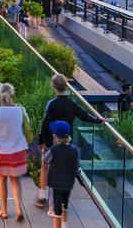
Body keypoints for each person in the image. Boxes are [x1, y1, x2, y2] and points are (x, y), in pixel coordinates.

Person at [35, 74, 104, 208]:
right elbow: (84, 115)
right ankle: (61, 195)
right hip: (66, 141)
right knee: (62, 167)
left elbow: (45, 123)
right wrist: (99, 120)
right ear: (66, 86)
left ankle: (43, 195)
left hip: (52, 141)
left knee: (45, 166)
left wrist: (41, 140)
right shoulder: (71, 104)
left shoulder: (52, 104)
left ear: (53, 87)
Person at [0, 83, 29, 221]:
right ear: (12, 94)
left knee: (2, 180)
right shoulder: (20, 110)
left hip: (1, 151)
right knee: (15, 180)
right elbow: (26, 125)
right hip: (18, 150)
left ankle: (4, 211)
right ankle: (18, 210)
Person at [41, 120, 79, 227]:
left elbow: (45, 162)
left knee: (56, 213)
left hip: (56, 185)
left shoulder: (54, 150)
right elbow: (76, 168)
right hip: (68, 184)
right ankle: (64, 225)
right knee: (65, 207)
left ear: (56, 136)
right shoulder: (74, 150)